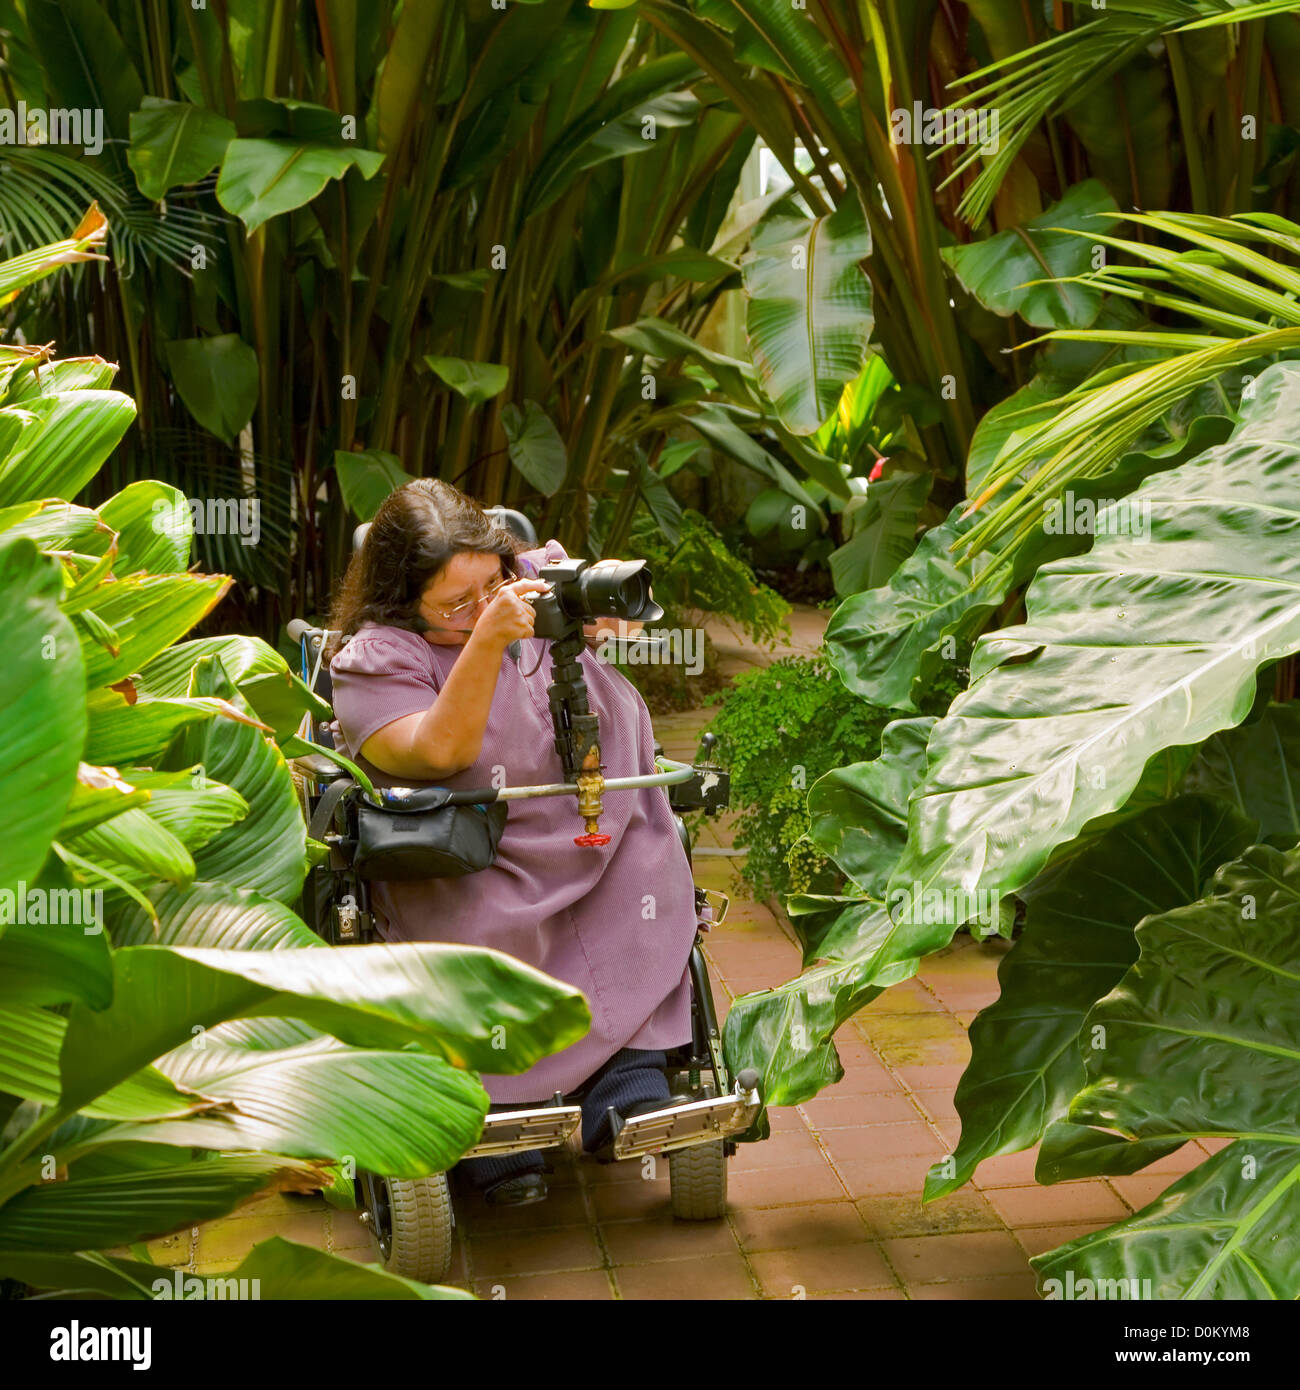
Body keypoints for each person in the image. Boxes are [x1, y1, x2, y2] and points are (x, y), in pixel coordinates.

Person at [326, 479, 698, 1206]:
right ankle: (500, 1109)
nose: (481, 606)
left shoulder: (530, 583)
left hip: (601, 817)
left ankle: (628, 1073)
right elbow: (437, 752)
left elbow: (605, 608)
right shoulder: (377, 659)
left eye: (491, 583)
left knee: (650, 876)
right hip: (474, 849)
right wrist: (488, 636)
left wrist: (601, 614)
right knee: (476, 925)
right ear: (404, 602)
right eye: (454, 604)